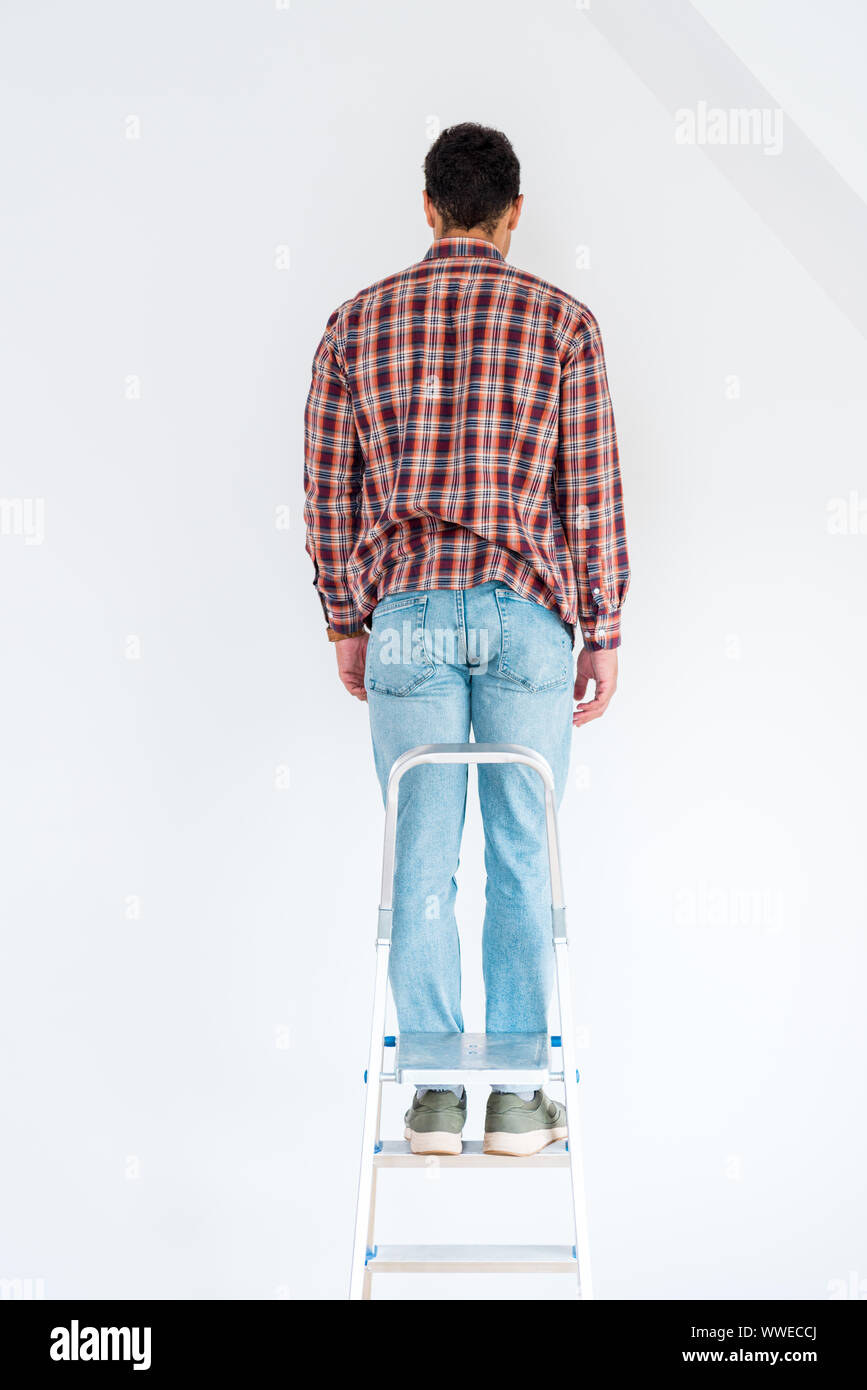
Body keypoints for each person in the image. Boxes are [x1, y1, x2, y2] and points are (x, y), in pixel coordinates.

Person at [304, 122, 629, 1156]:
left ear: (429, 206)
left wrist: (345, 621)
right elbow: (594, 491)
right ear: (514, 213)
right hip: (528, 618)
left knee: (422, 860)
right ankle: (525, 1100)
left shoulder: (356, 325)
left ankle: (437, 1096)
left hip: (403, 624)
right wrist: (604, 627)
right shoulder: (564, 324)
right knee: (523, 857)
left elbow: (327, 490)